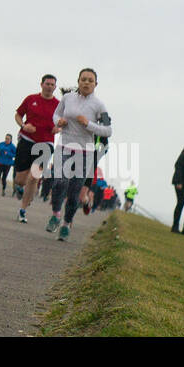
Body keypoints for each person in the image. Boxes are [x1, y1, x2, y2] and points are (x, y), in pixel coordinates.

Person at [47, 69, 111, 241]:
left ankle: (67, 224)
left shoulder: (99, 105)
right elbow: (56, 114)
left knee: (75, 192)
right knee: (60, 182)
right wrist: (58, 122)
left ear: (95, 84)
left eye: (90, 80)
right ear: (78, 81)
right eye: (83, 79)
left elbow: (108, 130)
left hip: (85, 152)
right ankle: (55, 214)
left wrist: (89, 124)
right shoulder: (67, 99)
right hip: (65, 146)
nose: (86, 83)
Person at [11, 74, 59, 223]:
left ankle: (23, 210)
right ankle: (22, 189)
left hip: (46, 143)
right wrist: (24, 126)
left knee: (34, 177)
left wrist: (58, 128)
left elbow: (64, 122)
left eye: (52, 85)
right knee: (20, 180)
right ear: (41, 84)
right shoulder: (31, 99)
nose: (49, 86)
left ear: (55, 87)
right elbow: (18, 115)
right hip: (27, 140)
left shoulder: (58, 104)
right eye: (47, 84)